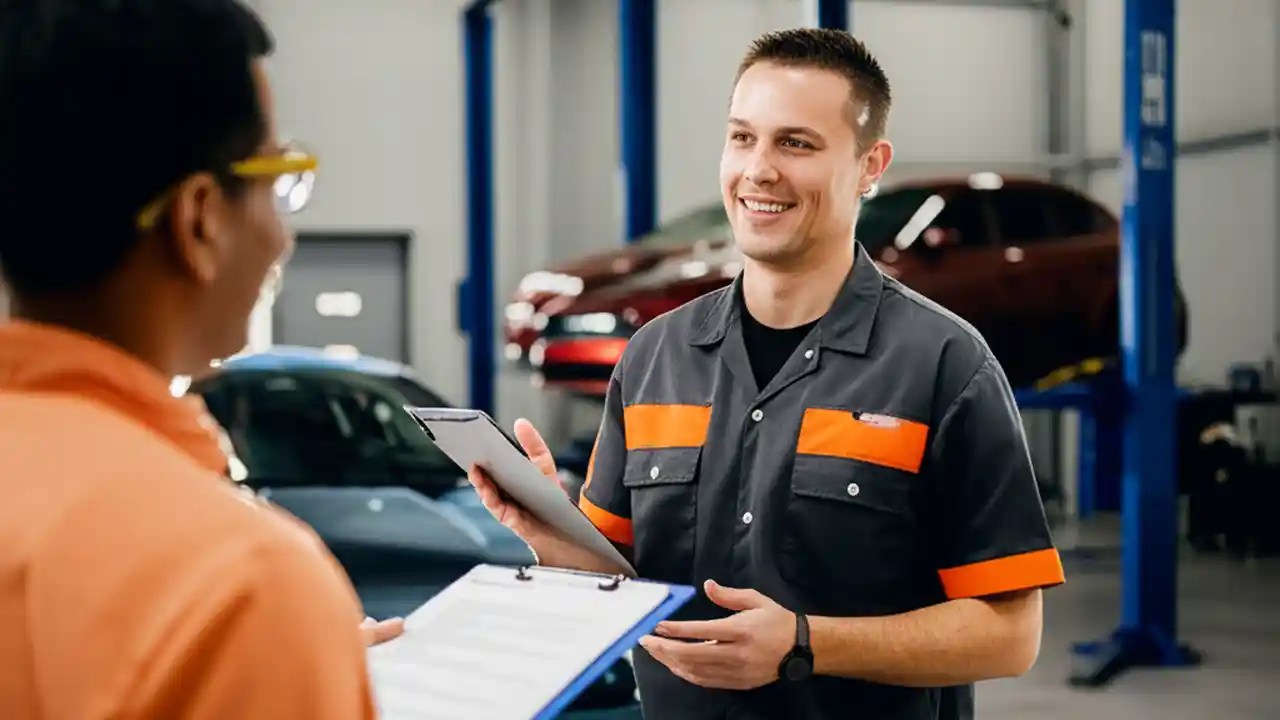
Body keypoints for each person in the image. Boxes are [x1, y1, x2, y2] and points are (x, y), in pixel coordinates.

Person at [470, 28, 1065, 719]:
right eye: (742, 138)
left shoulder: (945, 366)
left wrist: (807, 644)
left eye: (797, 143)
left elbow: (1009, 635)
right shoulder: (656, 357)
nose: (758, 169)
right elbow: (623, 585)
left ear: (871, 165)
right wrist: (552, 538)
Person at [0, 1, 400, 717]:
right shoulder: (238, 584)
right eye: (278, 177)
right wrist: (282, 659)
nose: (282, 236)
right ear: (200, 217)